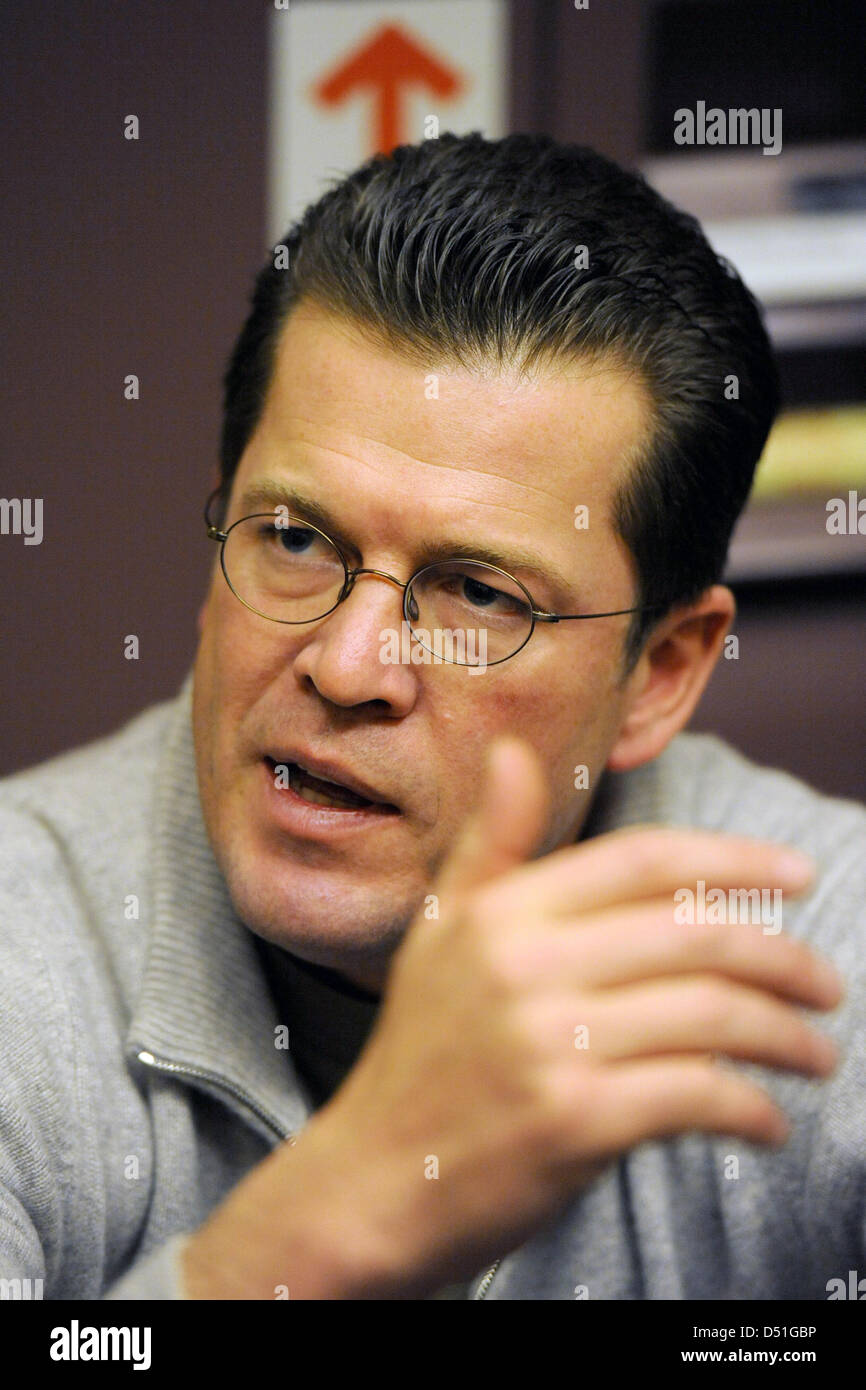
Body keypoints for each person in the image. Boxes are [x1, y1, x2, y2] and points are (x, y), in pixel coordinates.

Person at [1, 132, 862, 1302]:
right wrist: (311, 1242)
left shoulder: (811, 953)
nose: (348, 664)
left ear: (656, 671)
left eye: (477, 592)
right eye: (295, 538)